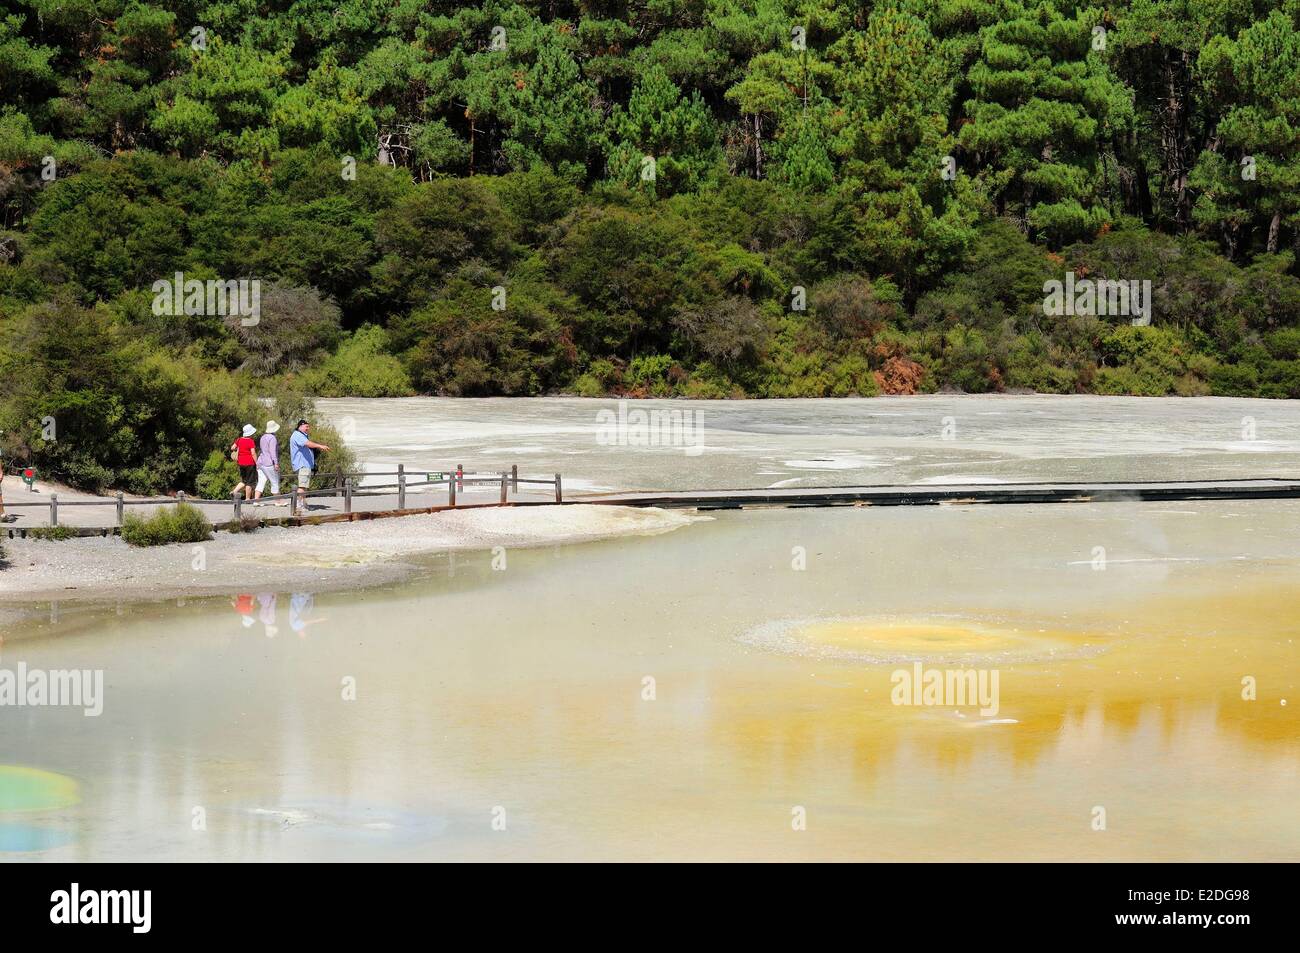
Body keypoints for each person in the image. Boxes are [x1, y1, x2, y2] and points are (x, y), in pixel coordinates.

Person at [289, 419, 331, 511]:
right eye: (306, 426)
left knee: (304, 486)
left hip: (305, 464)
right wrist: (320, 446)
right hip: (302, 464)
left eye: (308, 426)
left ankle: (304, 504)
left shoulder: (300, 435)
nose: (308, 428)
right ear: (300, 426)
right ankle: (298, 506)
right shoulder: (298, 435)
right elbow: (308, 444)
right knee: (302, 486)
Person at [254, 420, 282, 505]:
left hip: (261, 462)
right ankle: (277, 501)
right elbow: (272, 451)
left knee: (261, 481)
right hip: (269, 463)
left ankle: (256, 501)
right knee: (274, 481)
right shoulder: (272, 438)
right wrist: (276, 463)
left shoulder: (263, 437)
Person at [231, 424, 258, 501]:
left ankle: (234, 492)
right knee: (249, 482)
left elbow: (232, 447)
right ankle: (247, 499)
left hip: (241, 463)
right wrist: (257, 463)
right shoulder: (250, 441)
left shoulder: (239, 440)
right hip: (250, 464)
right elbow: (253, 453)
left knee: (244, 481)